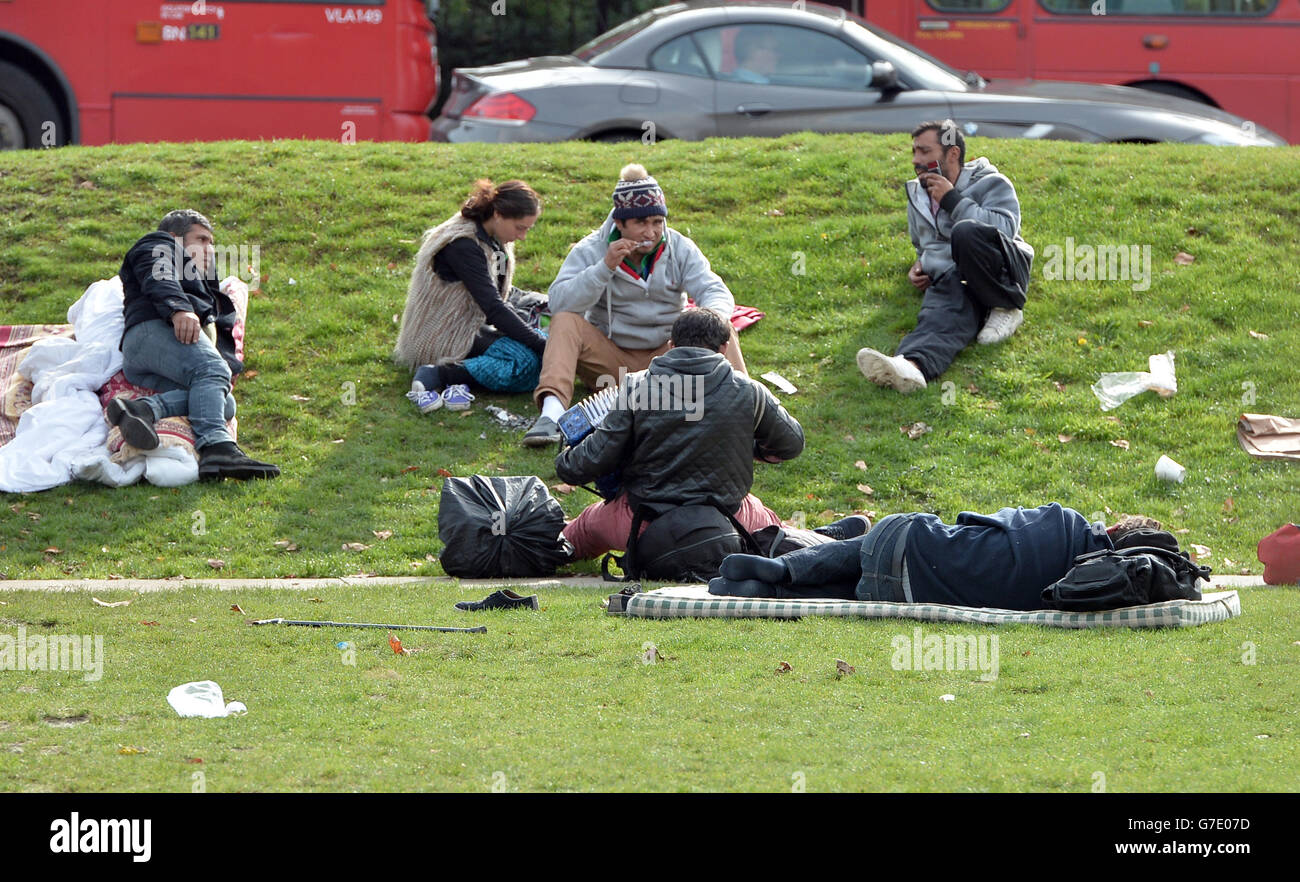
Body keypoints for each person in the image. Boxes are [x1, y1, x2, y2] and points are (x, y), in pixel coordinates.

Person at [554, 309, 806, 561]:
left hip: (641, 524)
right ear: (724, 347)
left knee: (578, 531)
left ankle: (549, 557)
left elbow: (587, 463)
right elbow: (792, 445)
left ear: (671, 345)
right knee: (773, 527)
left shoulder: (634, 387)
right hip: (731, 523)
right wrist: (750, 448)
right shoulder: (750, 391)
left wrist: (566, 459)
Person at [523, 163, 747, 447]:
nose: (650, 232)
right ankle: (552, 415)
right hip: (612, 364)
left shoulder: (680, 247)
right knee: (565, 321)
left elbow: (714, 289)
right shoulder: (591, 249)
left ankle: (746, 410)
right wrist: (604, 268)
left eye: (657, 222)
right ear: (620, 223)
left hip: (670, 358)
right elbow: (559, 303)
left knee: (722, 324)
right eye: (641, 223)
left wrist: (709, 320)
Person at [857, 120, 1034, 394]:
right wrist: (919, 266)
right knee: (943, 314)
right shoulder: (917, 193)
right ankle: (912, 367)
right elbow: (922, 244)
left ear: (952, 153)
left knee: (965, 233)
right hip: (957, 277)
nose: (916, 160)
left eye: (925, 151)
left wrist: (953, 201)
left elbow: (1004, 231)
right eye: (914, 152)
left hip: (1002, 272)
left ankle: (1007, 307)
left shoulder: (992, 182)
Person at [710, 506, 1164, 610]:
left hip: (915, 546)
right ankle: (772, 588)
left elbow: (976, 520)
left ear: (1116, 529)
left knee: (903, 533)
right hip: (910, 597)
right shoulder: (1087, 589)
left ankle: (785, 566)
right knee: (864, 586)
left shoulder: (1064, 521)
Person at [110, 209, 279, 481]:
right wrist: (178, 308)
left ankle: (142, 409)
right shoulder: (159, 243)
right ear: (175, 237)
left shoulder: (200, 278)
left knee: (224, 403)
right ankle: (217, 446)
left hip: (147, 358)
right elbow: (158, 274)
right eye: (201, 240)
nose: (209, 249)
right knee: (213, 370)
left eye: (212, 243)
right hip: (152, 331)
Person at [394, 179, 545, 413]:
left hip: (471, 325)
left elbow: (497, 300)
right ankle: (440, 373)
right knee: (525, 362)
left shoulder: (490, 235)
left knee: (540, 350)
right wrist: (540, 344)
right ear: (498, 214)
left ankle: (459, 373)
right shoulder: (464, 245)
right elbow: (493, 308)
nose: (523, 236)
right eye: (520, 227)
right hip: (443, 332)